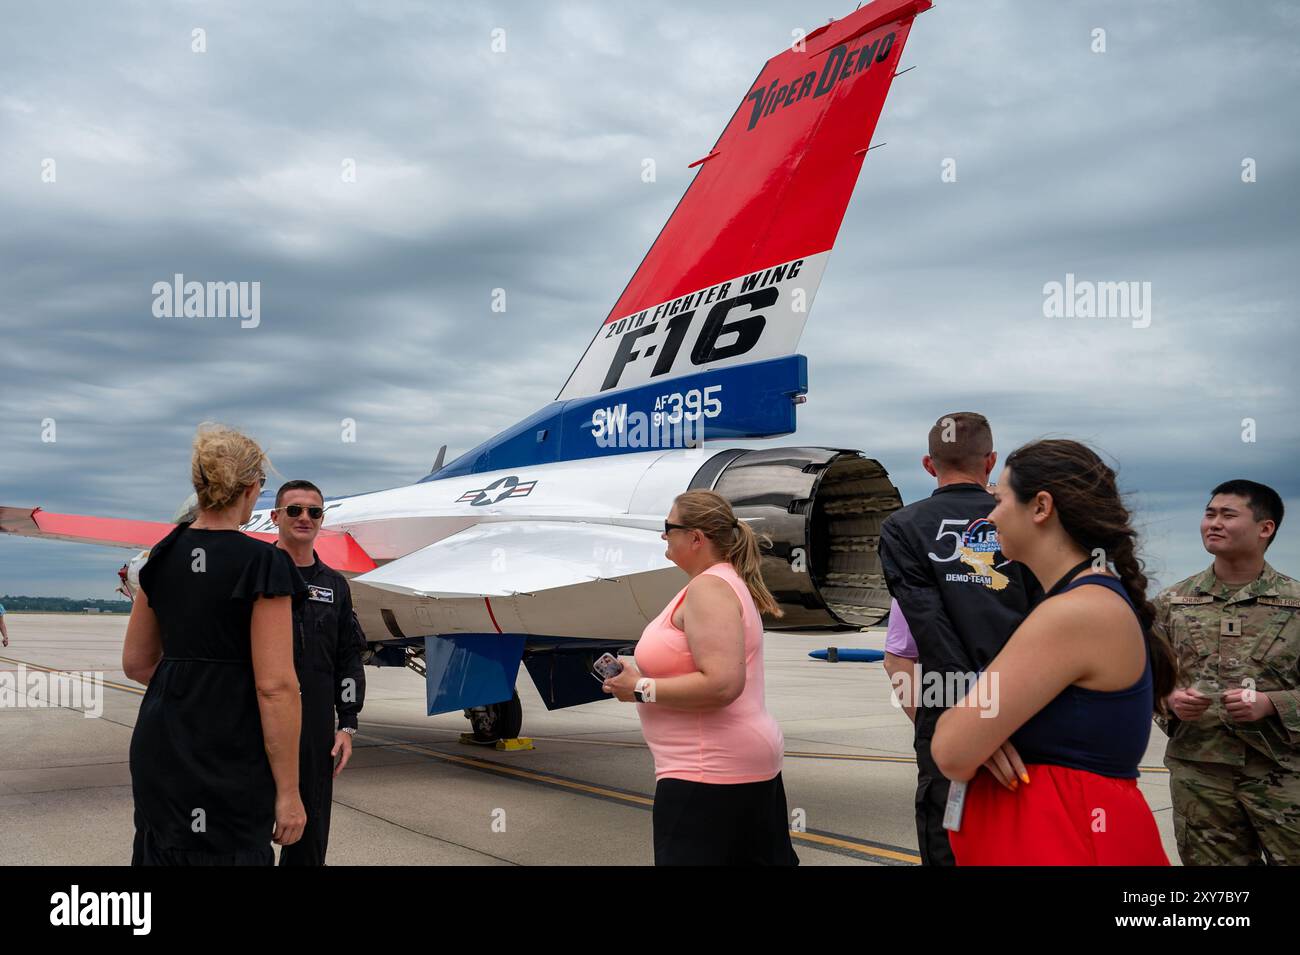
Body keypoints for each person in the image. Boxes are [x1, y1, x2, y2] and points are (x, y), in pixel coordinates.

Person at [931, 439, 1174, 865]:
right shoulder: (1083, 602)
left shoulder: (1074, 613)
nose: (990, 516)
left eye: (1000, 500)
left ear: (1041, 507)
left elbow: (951, 751)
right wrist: (984, 733)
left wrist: (978, 732)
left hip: (1067, 843)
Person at [123, 424, 306, 864]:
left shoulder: (160, 555)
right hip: (230, 756)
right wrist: (289, 793)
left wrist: (190, 687)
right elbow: (276, 687)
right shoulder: (264, 563)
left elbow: (136, 662)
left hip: (160, 749)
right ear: (250, 488)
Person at [877, 412, 1040, 865]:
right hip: (1029, 707)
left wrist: (969, 722)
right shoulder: (1026, 520)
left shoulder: (903, 528)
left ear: (930, 465)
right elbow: (1045, 620)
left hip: (949, 706)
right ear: (991, 460)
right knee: (1025, 838)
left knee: (950, 841)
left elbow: (928, 627)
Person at [601, 490, 798, 866]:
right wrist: (640, 676)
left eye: (669, 527)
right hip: (728, 762)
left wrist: (639, 688)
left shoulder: (709, 588)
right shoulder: (721, 582)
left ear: (696, 538)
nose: (663, 536)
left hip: (709, 770)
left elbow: (722, 683)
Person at [1154, 479, 1299, 865]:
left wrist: (1272, 704)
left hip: (1284, 775)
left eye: (1227, 515)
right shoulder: (1170, 604)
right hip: (1200, 779)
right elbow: (1138, 676)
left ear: (1265, 528)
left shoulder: (1296, 605)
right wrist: (1167, 700)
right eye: (1209, 513)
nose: (1213, 523)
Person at [271, 479, 367, 866]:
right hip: (256, 719)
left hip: (314, 725)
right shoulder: (255, 576)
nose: (304, 517)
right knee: (247, 830)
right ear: (276, 517)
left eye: (314, 511)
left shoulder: (335, 586)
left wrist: (347, 723)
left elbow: (348, 657)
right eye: (294, 510)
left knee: (309, 836)